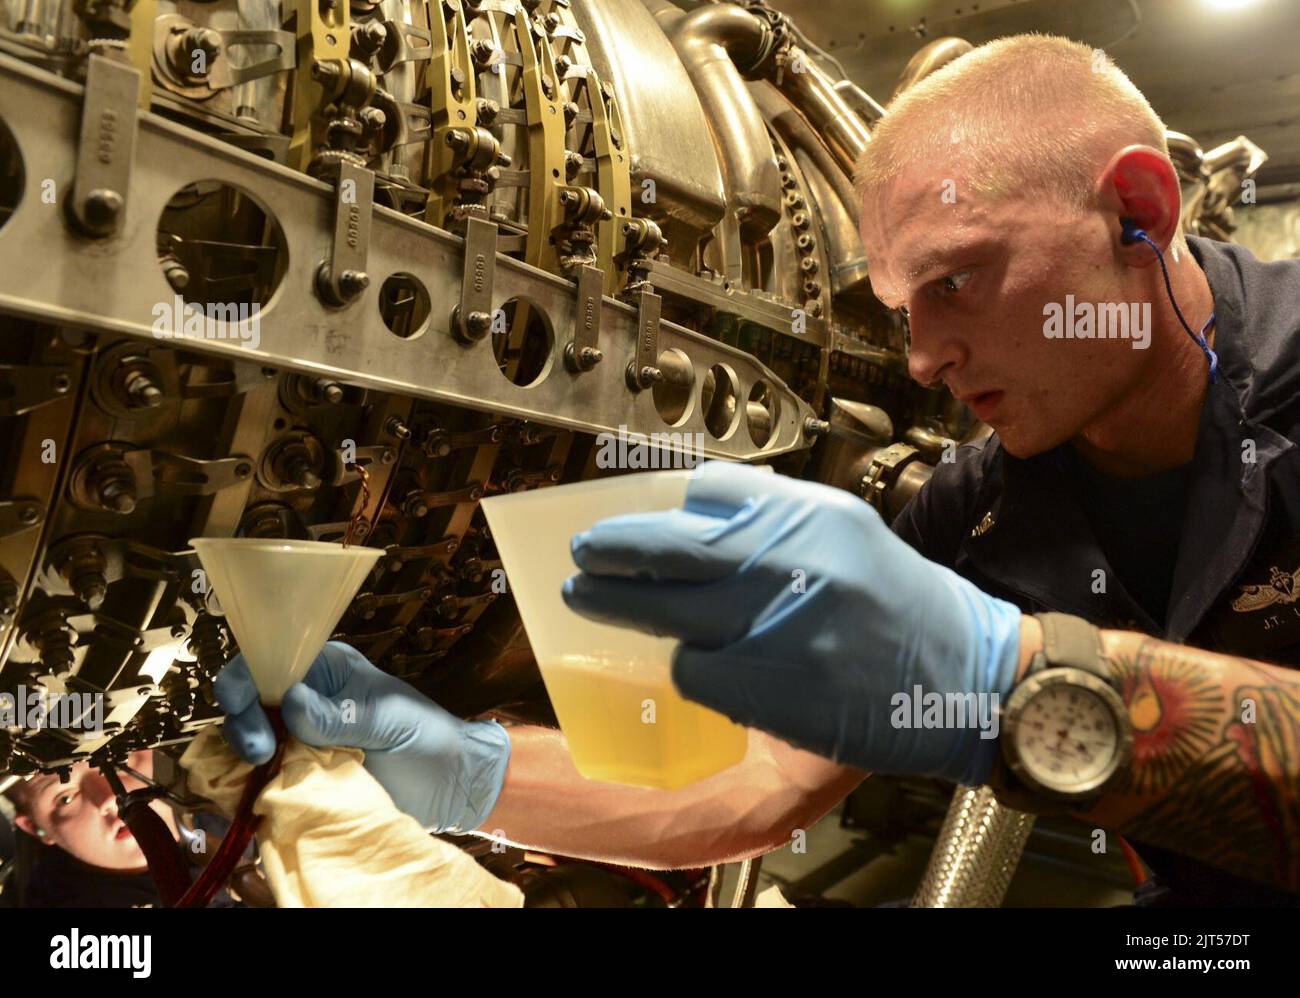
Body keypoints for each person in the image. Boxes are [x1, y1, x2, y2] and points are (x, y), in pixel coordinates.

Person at [217, 34, 1299, 905]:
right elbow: (762, 779)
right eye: (900, 310)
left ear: (1140, 213)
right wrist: (467, 769)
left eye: (958, 281)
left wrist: (1005, 682)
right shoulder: (981, 510)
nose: (924, 356)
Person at [3, 751, 244, 907]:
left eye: (121, 761)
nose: (109, 797)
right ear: (35, 828)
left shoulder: (242, 801)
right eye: (65, 798)